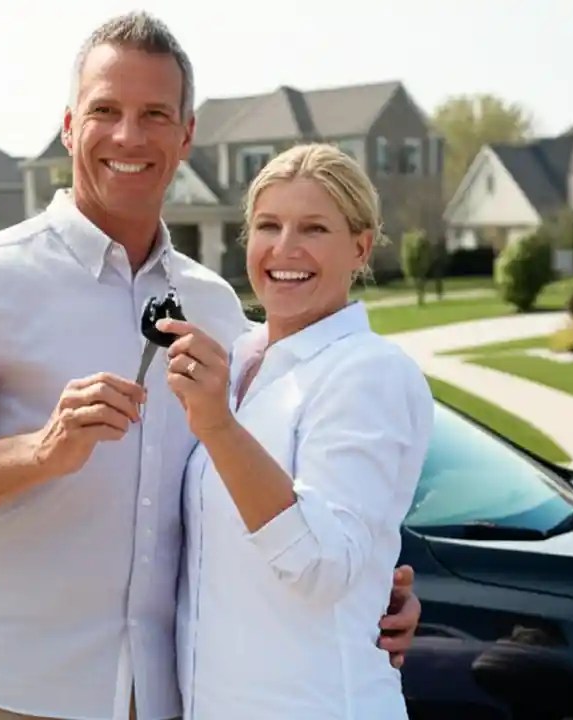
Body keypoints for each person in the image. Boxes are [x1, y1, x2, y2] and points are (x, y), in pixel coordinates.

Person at [0, 12, 421, 720]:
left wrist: (377, 585)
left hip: (159, 698)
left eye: (154, 114)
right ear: (68, 127)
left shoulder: (216, 312)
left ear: (186, 136)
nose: (128, 136)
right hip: (7, 690)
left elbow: (294, 473)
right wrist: (41, 452)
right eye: (105, 112)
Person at [159, 143, 434, 719]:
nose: (285, 249)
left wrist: (217, 425)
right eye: (268, 226)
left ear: (360, 246)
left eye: (313, 228)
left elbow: (320, 567)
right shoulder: (235, 360)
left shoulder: (370, 373)